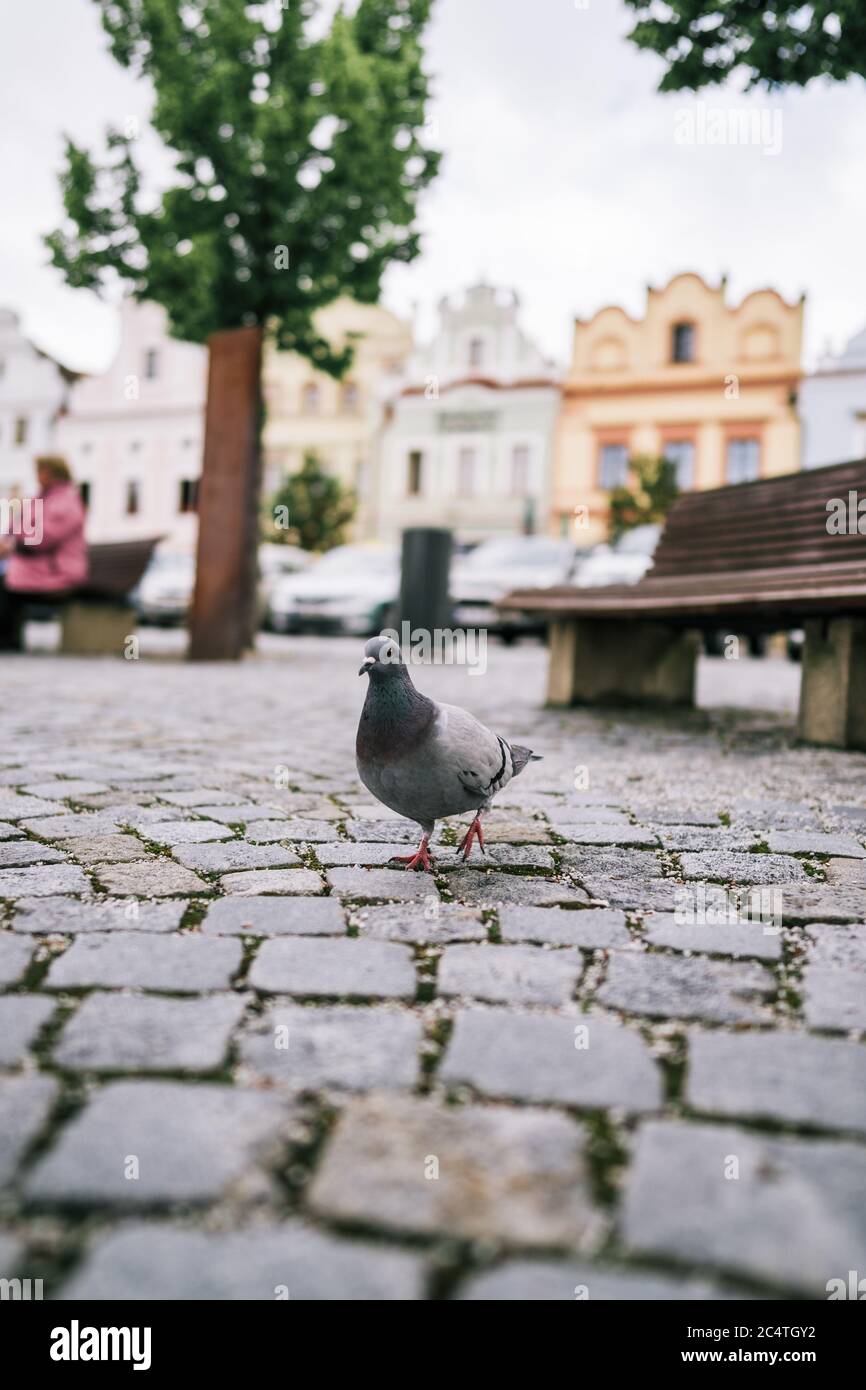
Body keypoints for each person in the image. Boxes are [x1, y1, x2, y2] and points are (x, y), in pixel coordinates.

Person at [0, 456, 88, 651]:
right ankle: (8, 640)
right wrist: (7, 541)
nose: (38, 476)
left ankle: (7, 642)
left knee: (5, 587)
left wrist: (13, 542)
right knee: (5, 583)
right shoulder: (39, 499)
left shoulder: (66, 502)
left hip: (57, 572)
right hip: (36, 569)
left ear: (53, 473)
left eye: (41, 471)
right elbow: (15, 528)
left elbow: (44, 538)